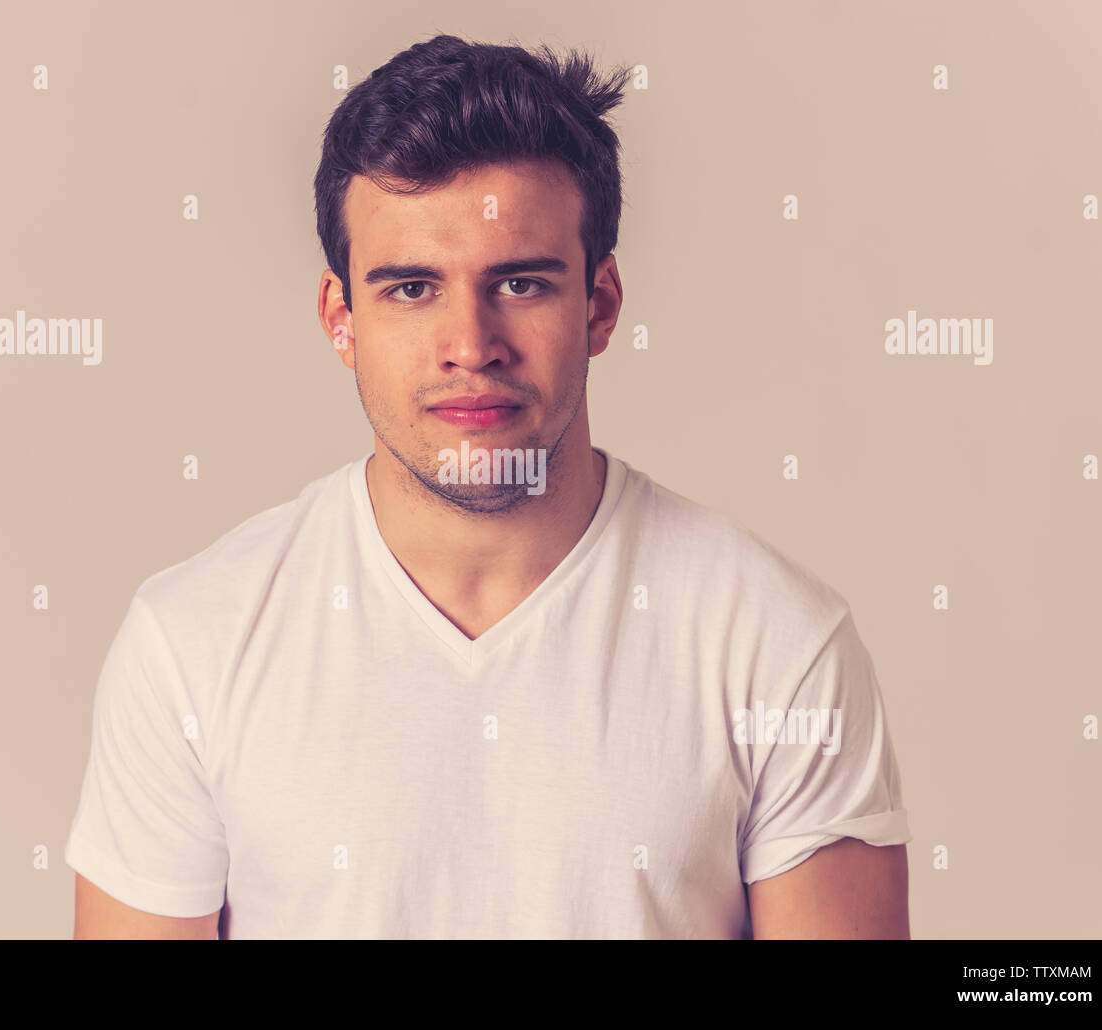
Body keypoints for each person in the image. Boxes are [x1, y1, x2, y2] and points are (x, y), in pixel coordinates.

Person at [65, 33, 910, 939]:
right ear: (339, 317)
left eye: (518, 282)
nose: (470, 344)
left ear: (601, 304)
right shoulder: (193, 641)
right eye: (410, 289)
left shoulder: (776, 644)